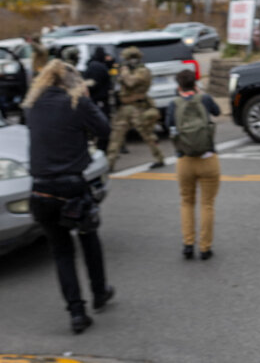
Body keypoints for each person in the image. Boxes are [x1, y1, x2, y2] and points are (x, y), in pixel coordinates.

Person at [23, 60, 115, 334]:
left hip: (40, 188)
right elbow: (105, 129)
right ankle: (99, 291)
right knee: (89, 239)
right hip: (72, 187)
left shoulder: (32, 106)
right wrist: (86, 100)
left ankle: (76, 312)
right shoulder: (77, 103)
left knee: (61, 252)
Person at [166, 69, 222, 260]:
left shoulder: (174, 104)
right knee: (207, 204)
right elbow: (217, 111)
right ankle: (205, 248)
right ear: (195, 83)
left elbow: (169, 125)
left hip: (185, 160)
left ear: (178, 86)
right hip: (208, 159)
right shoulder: (204, 99)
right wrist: (200, 94)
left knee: (187, 202)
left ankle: (188, 244)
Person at [107, 46, 164, 171]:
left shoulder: (142, 71)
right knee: (116, 135)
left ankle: (159, 158)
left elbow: (131, 82)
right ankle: (109, 163)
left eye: (127, 59)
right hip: (125, 107)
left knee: (147, 134)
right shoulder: (130, 71)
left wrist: (124, 71)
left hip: (138, 107)